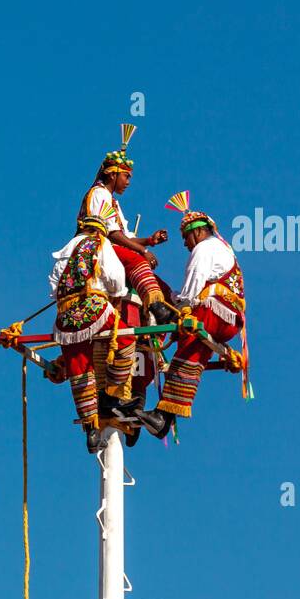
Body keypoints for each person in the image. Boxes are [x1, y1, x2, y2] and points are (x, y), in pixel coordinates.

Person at [136, 193, 248, 438]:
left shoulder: (204, 249)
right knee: (191, 353)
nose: (185, 244)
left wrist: (183, 310)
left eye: (185, 237)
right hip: (228, 319)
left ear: (196, 232)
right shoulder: (222, 249)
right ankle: (163, 417)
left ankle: (163, 417)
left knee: (187, 349)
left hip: (216, 311)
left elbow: (194, 284)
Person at [49, 201, 138, 453]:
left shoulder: (64, 252)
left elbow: (53, 287)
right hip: (94, 308)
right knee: (125, 339)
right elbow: (115, 277)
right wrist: (117, 295)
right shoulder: (101, 243)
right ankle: (112, 396)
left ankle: (90, 430)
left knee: (80, 370)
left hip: (64, 318)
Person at [78, 124, 173, 328]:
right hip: (95, 248)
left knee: (152, 276)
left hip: (110, 247)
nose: (128, 182)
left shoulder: (114, 202)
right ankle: (156, 307)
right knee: (137, 259)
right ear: (112, 175)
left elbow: (123, 235)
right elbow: (112, 234)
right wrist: (142, 250)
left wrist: (149, 240)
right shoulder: (99, 194)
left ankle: (169, 310)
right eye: (126, 176)